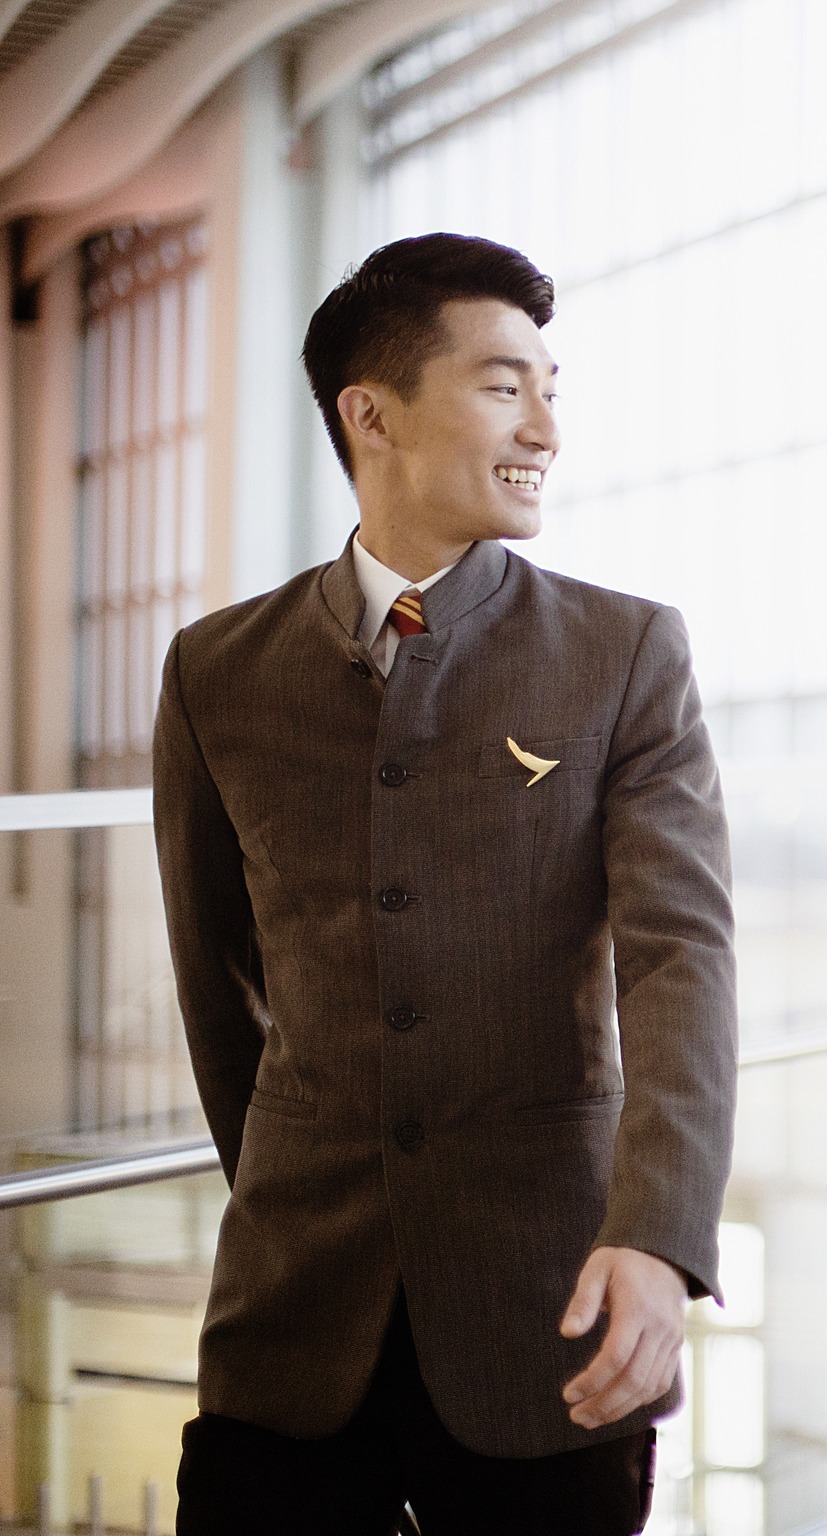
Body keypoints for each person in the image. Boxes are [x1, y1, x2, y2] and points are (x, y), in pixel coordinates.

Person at [153, 233, 737, 1535]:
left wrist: (658, 1235)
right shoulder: (216, 670)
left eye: (551, 386)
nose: (545, 428)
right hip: (289, 1325)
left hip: (555, 1313)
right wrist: (284, 1194)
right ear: (372, 415)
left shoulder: (623, 651)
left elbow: (680, 959)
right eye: (501, 385)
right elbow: (215, 984)